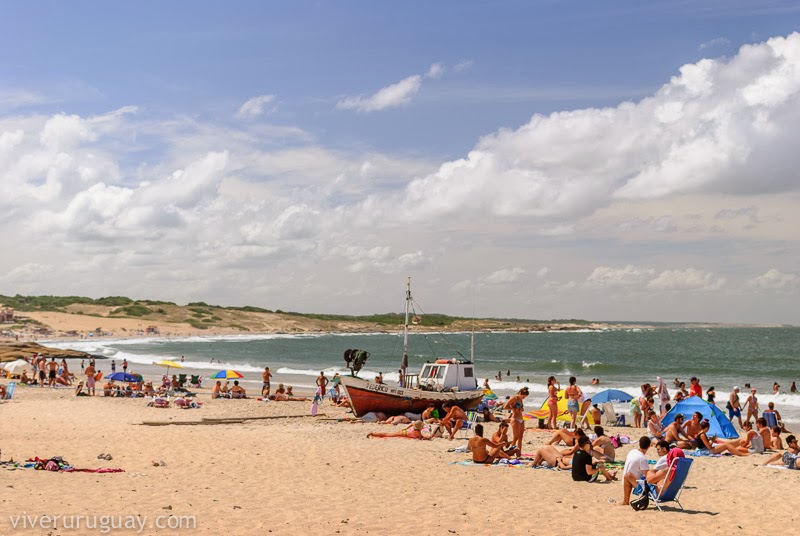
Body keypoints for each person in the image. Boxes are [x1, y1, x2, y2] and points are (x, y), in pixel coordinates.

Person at [616, 436, 652, 506]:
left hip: (626, 480)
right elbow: (648, 476)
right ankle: (626, 501)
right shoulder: (642, 459)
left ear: (639, 444)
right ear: (649, 446)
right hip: (635, 482)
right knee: (629, 475)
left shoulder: (632, 451)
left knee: (628, 475)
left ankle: (626, 501)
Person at [504, 387, 528, 452]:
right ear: (520, 393)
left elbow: (521, 409)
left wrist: (521, 409)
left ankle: (519, 452)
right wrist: (513, 408)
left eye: (525, 397)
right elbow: (505, 406)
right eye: (523, 396)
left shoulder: (520, 400)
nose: (523, 398)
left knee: (520, 437)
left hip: (521, 419)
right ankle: (511, 451)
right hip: (515, 419)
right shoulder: (514, 398)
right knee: (516, 437)